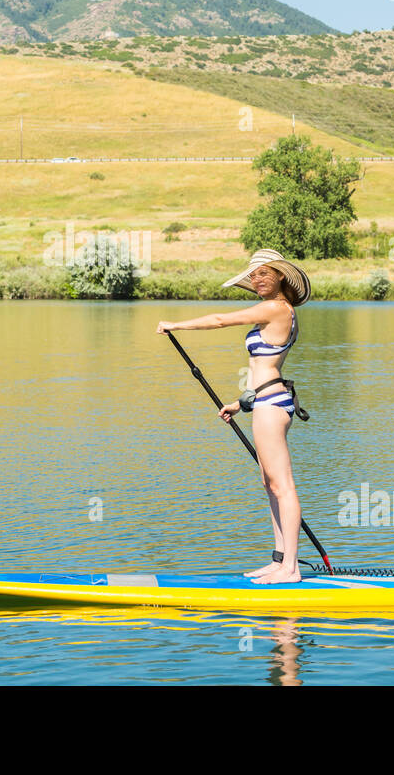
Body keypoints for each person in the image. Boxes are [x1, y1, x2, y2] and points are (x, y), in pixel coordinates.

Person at [157, 249, 311, 584]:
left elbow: (220, 320)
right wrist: (240, 403)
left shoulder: (276, 308)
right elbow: (264, 369)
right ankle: (279, 559)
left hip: (272, 407)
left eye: (263, 274)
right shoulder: (271, 312)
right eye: (252, 276)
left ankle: (292, 568)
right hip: (264, 400)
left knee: (282, 485)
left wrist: (176, 324)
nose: (256, 280)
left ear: (281, 275)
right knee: (269, 483)